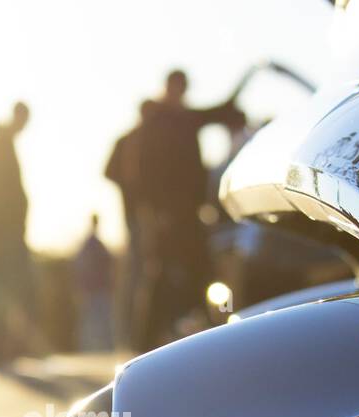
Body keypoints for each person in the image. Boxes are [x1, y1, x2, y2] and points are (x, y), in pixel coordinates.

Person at [130, 70, 243, 352]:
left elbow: (219, 111)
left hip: (191, 214)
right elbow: (142, 173)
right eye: (176, 88)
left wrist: (244, 83)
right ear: (168, 88)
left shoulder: (187, 118)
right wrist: (155, 213)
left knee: (201, 270)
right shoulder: (155, 123)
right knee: (160, 276)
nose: (179, 94)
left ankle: (205, 331)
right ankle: (145, 342)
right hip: (164, 217)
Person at [0, 101, 38, 359]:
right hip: (4, 231)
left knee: (11, 287)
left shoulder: (3, 142)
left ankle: (4, 345)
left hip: (8, 230)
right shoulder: (1, 142)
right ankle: (0, 345)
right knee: (8, 287)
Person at [104, 100, 156, 350]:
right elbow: (109, 171)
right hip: (140, 217)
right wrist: (131, 189)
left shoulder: (146, 141)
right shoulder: (132, 141)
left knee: (139, 273)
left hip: (146, 217)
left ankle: (137, 334)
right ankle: (132, 334)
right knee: (140, 273)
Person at [72, 214, 114, 352]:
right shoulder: (91, 244)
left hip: (98, 288)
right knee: (92, 321)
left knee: (99, 320)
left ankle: (103, 349)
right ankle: (89, 349)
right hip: (93, 288)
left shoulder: (93, 244)